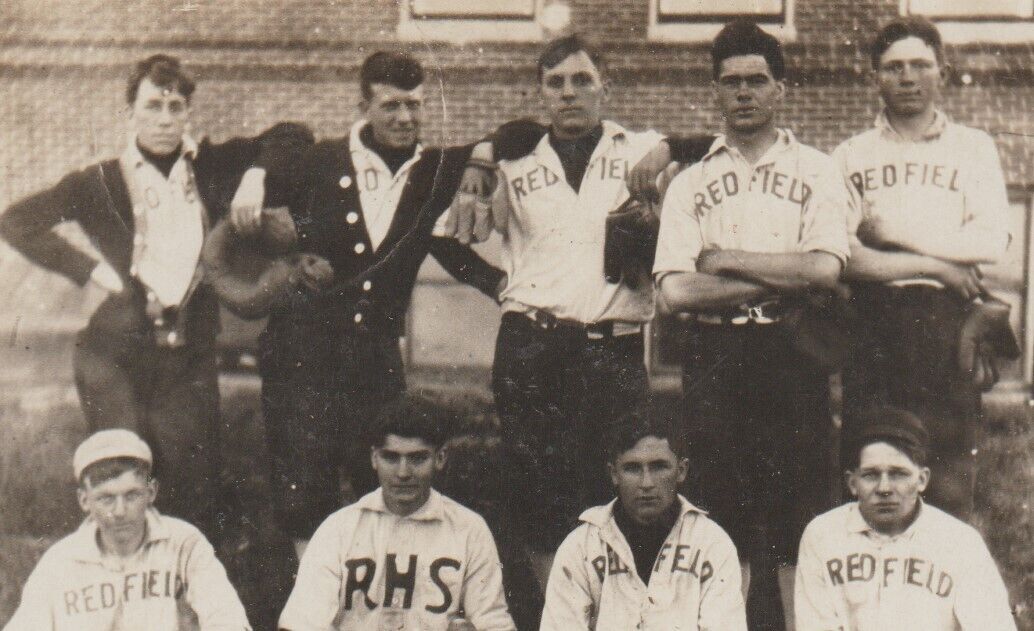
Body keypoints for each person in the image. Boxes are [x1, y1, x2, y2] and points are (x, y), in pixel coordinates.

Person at [0, 54, 312, 540]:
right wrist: (90, 270)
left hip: (188, 356)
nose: (165, 120)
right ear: (131, 113)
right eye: (153, 107)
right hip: (113, 356)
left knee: (192, 488)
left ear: (188, 112)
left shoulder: (211, 167)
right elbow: (17, 220)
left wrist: (254, 177)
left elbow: (293, 136)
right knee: (122, 479)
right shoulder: (99, 181)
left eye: (176, 107)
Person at [220, 50, 508, 559]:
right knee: (303, 489)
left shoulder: (435, 171)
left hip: (374, 360)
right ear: (364, 105)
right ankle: (311, 603)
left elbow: (519, 136)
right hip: (301, 356)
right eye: (391, 105)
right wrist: (254, 176)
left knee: (384, 485)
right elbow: (282, 136)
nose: (405, 118)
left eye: (415, 106)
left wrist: (483, 156)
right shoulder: (319, 161)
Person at [653, 21, 851, 629]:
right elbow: (676, 291)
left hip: (792, 351)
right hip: (715, 354)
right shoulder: (691, 181)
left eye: (756, 80)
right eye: (731, 82)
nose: (744, 93)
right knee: (719, 512)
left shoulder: (818, 170)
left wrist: (730, 260)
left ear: (780, 89)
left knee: (802, 514)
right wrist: (780, 274)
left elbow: (825, 268)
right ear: (715, 91)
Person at [835, 17, 1011, 520]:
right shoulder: (850, 155)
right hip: (873, 323)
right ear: (875, 78)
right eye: (893, 67)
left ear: (943, 73)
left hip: (947, 323)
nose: (907, 77)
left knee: (948, 477)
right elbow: (845, 255)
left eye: (919, 65)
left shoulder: (973, 147)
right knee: (870, 468)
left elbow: (990, 239)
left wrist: (891, 232)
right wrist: (938, 263)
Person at [278, 394, 516, 631]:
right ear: (374, 458)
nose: (403, 472)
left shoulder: (469, 529)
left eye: (417, 458)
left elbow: (493, 623)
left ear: (440, 458)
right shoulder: (339, 529)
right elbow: (299, 624)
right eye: (391, 457)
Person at [794, 405, 1016, 630]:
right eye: (870, 475)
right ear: (852, 483)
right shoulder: (823, 536)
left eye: (898, 474)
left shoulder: (960, 542)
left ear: (922, 480)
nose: (884, 488)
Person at [4, 429, 250, 631]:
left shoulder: (184, 544)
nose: (120, 511)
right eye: (106, 499)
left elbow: (227, 618)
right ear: (84, 501)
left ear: (151, 492)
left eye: (132, 495)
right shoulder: (60, 562)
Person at [540, 413, 746, 631]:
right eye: (632, 468)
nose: (646, 483)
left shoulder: (712, 544)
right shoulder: (581, 546)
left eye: (659, 467)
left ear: (681, 470)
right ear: (614, 474)